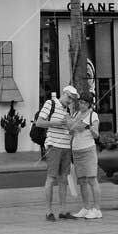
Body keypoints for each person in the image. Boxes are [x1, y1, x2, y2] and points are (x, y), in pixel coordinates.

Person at [36, 86, 77, 221]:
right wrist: (57, 123)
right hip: (54, 145)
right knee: (51, 178)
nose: (70, 101)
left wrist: (70, 126)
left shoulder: (68, 110)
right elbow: (39, 122)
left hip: (66, 146)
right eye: (69, 97)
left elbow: (70, 130)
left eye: (72, 99)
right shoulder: (50, 104)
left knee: (64, 179)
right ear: (64, 94)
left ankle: (63, 210)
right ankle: (49, 212)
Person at [67, 92, 102, 220]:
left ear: (89, 104)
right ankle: (86, 207)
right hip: (76, 150)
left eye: (83, 103)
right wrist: (71, 125)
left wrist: (89, 128)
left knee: (92, 179)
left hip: (88, 149)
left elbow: (96, 134)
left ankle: (97, 209)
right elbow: (71, 131)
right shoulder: (76, 114)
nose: (81, 105)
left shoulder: (93, 115)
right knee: (81, 180)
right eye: (80, 102)